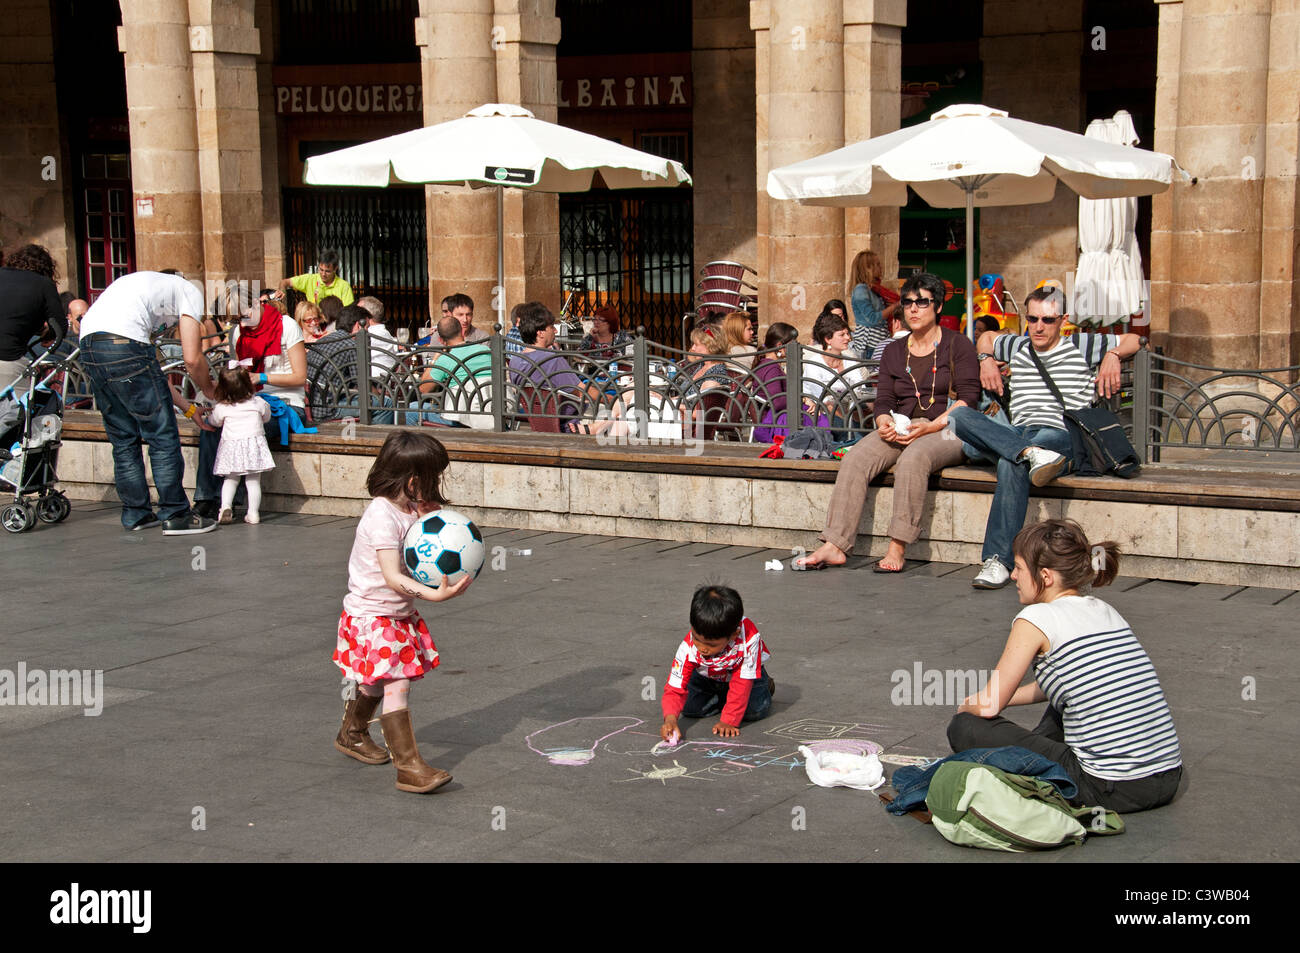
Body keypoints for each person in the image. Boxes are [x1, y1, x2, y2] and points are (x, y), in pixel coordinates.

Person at [947, 519, 1183, 813]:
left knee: (965, 728)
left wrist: (969, 706)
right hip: (1167, 779)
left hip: (1107, 788)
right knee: (1062, 705)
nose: (1013, 577)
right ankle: (1034, 761)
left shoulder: (1036, 618)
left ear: (1044, 576)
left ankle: (1029, 771)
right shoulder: (1105, 610)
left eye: (1018, 567)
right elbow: (1068, 683)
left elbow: (990, 705)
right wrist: (1004, 699)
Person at [949, 284, 1144, 589]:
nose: (1038, 327)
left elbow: (1135, 338)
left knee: (1009, 463)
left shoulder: (1081, 344)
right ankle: (1028, 454)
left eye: (1047, 320)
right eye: (1033, 319)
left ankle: (999, 560)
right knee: (959, 416)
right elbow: (986, 337)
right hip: (1020, 433)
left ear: (1063, 320)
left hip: (1061, 435)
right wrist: (986, 357)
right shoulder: (1018, 346)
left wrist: (1113, 355)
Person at [795, 272, 979, 572]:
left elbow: (968, 399)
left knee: (914, 458)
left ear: (938, 306)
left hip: (950, 427)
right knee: (856, 458)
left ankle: (897, 546)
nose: (914, 309)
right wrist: (882, 420)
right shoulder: (894, 349)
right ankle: (835, 544)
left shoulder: (958, 344)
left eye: (922, 302)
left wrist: (931, 426)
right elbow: (883, 400)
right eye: (907, 303)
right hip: (903, 425)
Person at [332, 430, 472, 794]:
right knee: (397, 682)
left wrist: (427, 513)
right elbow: (393, 577)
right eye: (432, 477)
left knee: (374, 680)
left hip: (393, 614)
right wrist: (434, 595)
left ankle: (352, 731)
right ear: (412, 480)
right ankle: (409, 767)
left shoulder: (408, 507)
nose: (436, 483)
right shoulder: (381, 516)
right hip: (372, 616)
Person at [78, 270, 217, 534]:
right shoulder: (189, 290)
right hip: (124, 344)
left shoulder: (138, 290)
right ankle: (176, 514)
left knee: (123, 439)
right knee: (162, 436)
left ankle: (136, 514)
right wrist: (209, 389)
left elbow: (150, 371)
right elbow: (191, 358)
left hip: (90, 345)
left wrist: (189, 409)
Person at [194, 286, 307, 518]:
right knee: (210, 427)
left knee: (239, 428)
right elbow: (238, 375)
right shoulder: (237, 333)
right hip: (248, 400)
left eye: (243, 316)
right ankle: (207, 498)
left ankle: (230, 500)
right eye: (235, 320)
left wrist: (262, 377)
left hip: (283, 403)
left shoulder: (286, 326)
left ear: (256, 303)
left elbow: (299, 376)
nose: (240, 324)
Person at [660, 584, 774, 742]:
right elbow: (675, 687)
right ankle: (727, 697)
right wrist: (670, 719)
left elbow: (742, 683)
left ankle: (763, 685)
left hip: (745, 678)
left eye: (711, 645)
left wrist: (729, 720)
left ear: (733, 634)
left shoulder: (749, 638)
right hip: (707, 677)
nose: (702, 648)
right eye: (696, 639)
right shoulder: (688, 647)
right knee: (689, 709)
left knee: (754, 710)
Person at [203, 362, 274, 525]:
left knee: (231, 479)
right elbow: (267, 417)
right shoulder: (258, 403)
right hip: (253, 447)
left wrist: (207, 418)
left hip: (231, 447)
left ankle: (225, 507)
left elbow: (215, 422)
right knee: (253, 481)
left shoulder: (222, 407)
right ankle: (253, 513)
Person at [0, 244, 65, 393]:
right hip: (8, 357)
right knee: (16, 410)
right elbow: (60, 326)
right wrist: (46, 332)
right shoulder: (44, 284)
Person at [801, 309, 871, 427]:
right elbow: (822, 399)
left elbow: (860, 390)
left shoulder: (849, 361)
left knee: (872, 402)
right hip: (823, 414)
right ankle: (852, 432)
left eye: (847, 333)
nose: (848, 338)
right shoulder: (815, 364)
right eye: (842, 335)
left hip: (850, 410)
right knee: (830, 403)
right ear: (828, 339)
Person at [306, 303, 364, 422]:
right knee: (384, 404)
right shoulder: (351, 345)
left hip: (311, 406)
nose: (368, 332)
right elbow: (361, 383)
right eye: (367, 327)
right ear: (358, 326)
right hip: (329, 408)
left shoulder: (323, 340)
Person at [751, 322, 798, 444]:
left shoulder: (766, 364)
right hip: (776, 422)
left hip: (779, 417)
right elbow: (777, 401)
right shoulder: (771, 368)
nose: (796, 347)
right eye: (793, 344)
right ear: (780, 346)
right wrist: (800, 398)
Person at [420, 314, 491, 394]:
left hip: (460, 405)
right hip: (490, 403)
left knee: (413, 405)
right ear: (462, 332)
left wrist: (435, 359)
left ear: (441, 340)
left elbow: (423, 389)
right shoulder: (486, 350)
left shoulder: (445, 359)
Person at [848, 249, 900, 357]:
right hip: (869, 345)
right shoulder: (860, 290)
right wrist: (895, 306)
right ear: (868, 268)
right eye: (877, 265)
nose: (881, 267)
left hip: (879, 341)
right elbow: (872, 319)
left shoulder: (873, 289)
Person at [275, 249, 354, 306]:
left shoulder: (344, 286)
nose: (323, 274)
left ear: (335, 269)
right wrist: (281, 290)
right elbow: (285, 282)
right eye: (321, 269)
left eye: (327, 271)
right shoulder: (310, 279)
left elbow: (348, 311)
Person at [358, 295, 399, 381]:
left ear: (367, 316)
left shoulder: (373, 334)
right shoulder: (382, 332)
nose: (354, 315)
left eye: (358, 312)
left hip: (375, 385)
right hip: (378, 383)